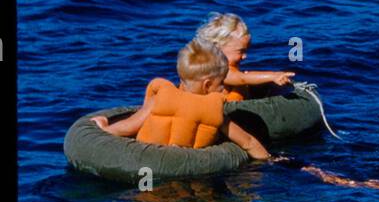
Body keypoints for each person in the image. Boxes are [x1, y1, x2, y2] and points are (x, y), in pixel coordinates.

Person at [93, 39, 272, 159]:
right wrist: (270, 159)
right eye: (221, 84)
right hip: (185, 167)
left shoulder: (162, 99)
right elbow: (248, 142)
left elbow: (130, 126)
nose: (223, 89)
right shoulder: (213, 111)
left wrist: (104, 128)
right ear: (207, 85)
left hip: (146, 158)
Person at [194, 13, 294, 100]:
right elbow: (242, 78)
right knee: (242, 86)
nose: (245, 56)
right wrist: (273, 76)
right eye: (240, 51)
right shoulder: (218, 70)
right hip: (224, 114)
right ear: (218, 50)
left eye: (246, 51)